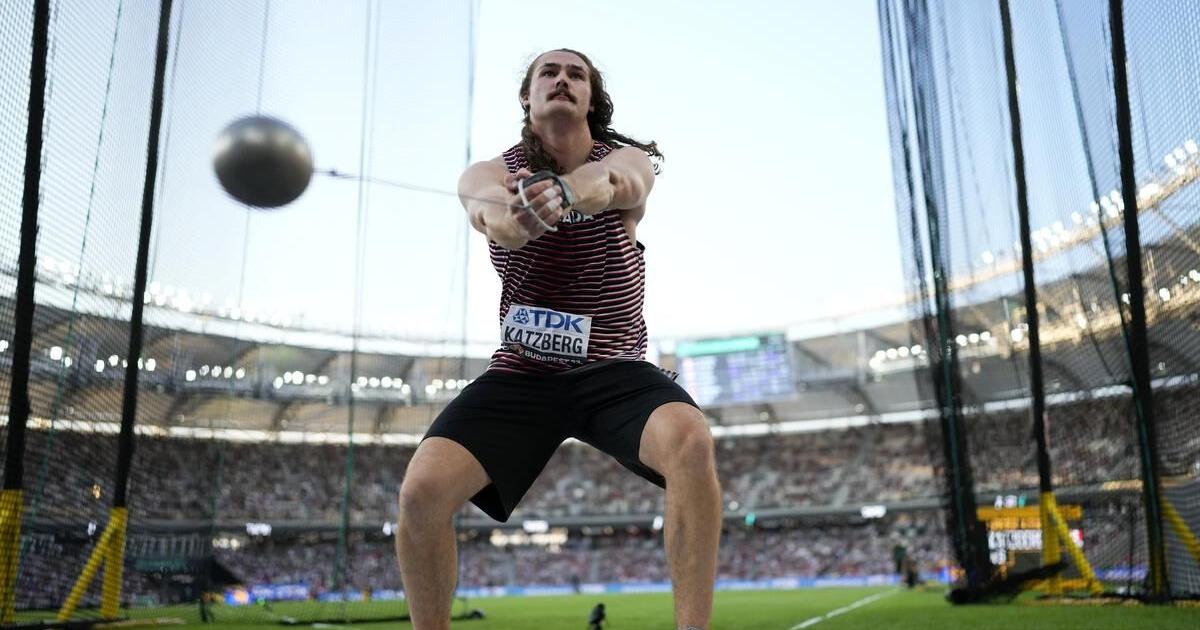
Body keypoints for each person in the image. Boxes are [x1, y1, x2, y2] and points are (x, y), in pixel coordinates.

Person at [395, 49, 722, 630]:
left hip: (614, 372)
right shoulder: (494, 173)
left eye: (577, 74)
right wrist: (514, 218)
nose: (563, 79)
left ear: (591, 99)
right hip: (522, 373)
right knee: (421, 492)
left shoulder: (624, 160)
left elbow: (617, 183)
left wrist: (568, 194)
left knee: (690, 441)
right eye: (549, 72)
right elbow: (485, 209)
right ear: (528, 97)